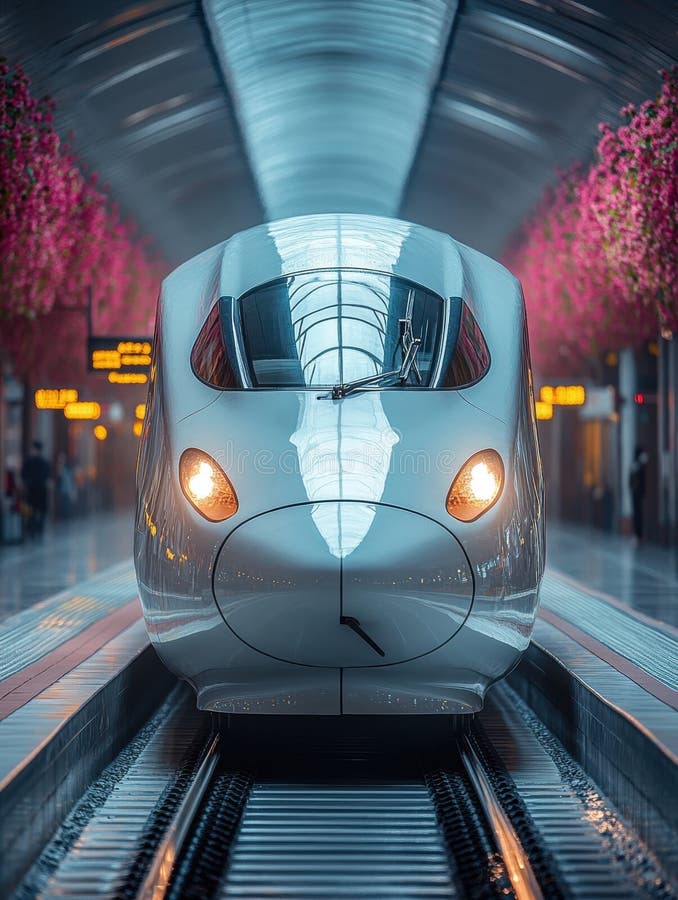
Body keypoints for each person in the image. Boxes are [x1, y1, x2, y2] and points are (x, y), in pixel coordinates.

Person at [21, 440, 51, 538]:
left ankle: (32, 529)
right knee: (40, 511)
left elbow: (23, 475)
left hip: (32, 490)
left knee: (31, 511)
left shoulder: (29, 462)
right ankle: (38, 529)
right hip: (41, 490)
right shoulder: (44, 462)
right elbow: (48, 477)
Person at [629, 445, 648, 544]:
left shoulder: (635, 465)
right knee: (638, 515)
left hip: (635, 495)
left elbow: (630, 481)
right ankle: (638, 535)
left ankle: (638, 535)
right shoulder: (638, 466)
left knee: (638, 515)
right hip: (637, 495)